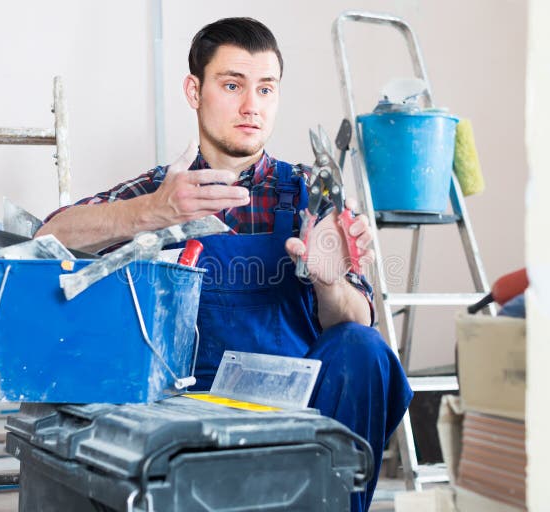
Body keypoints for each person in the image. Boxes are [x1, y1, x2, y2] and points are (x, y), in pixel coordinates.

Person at [38, 17, 412, 511]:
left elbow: (356, 320)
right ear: (194, 90)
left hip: (301, 407)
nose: (251, 106)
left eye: (265, 89)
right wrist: (149, 212)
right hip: (191, 412)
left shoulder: (310, 193)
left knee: (364, 347)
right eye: (232, 85)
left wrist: (329, 280)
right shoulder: (163, 188)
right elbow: (47, 238)